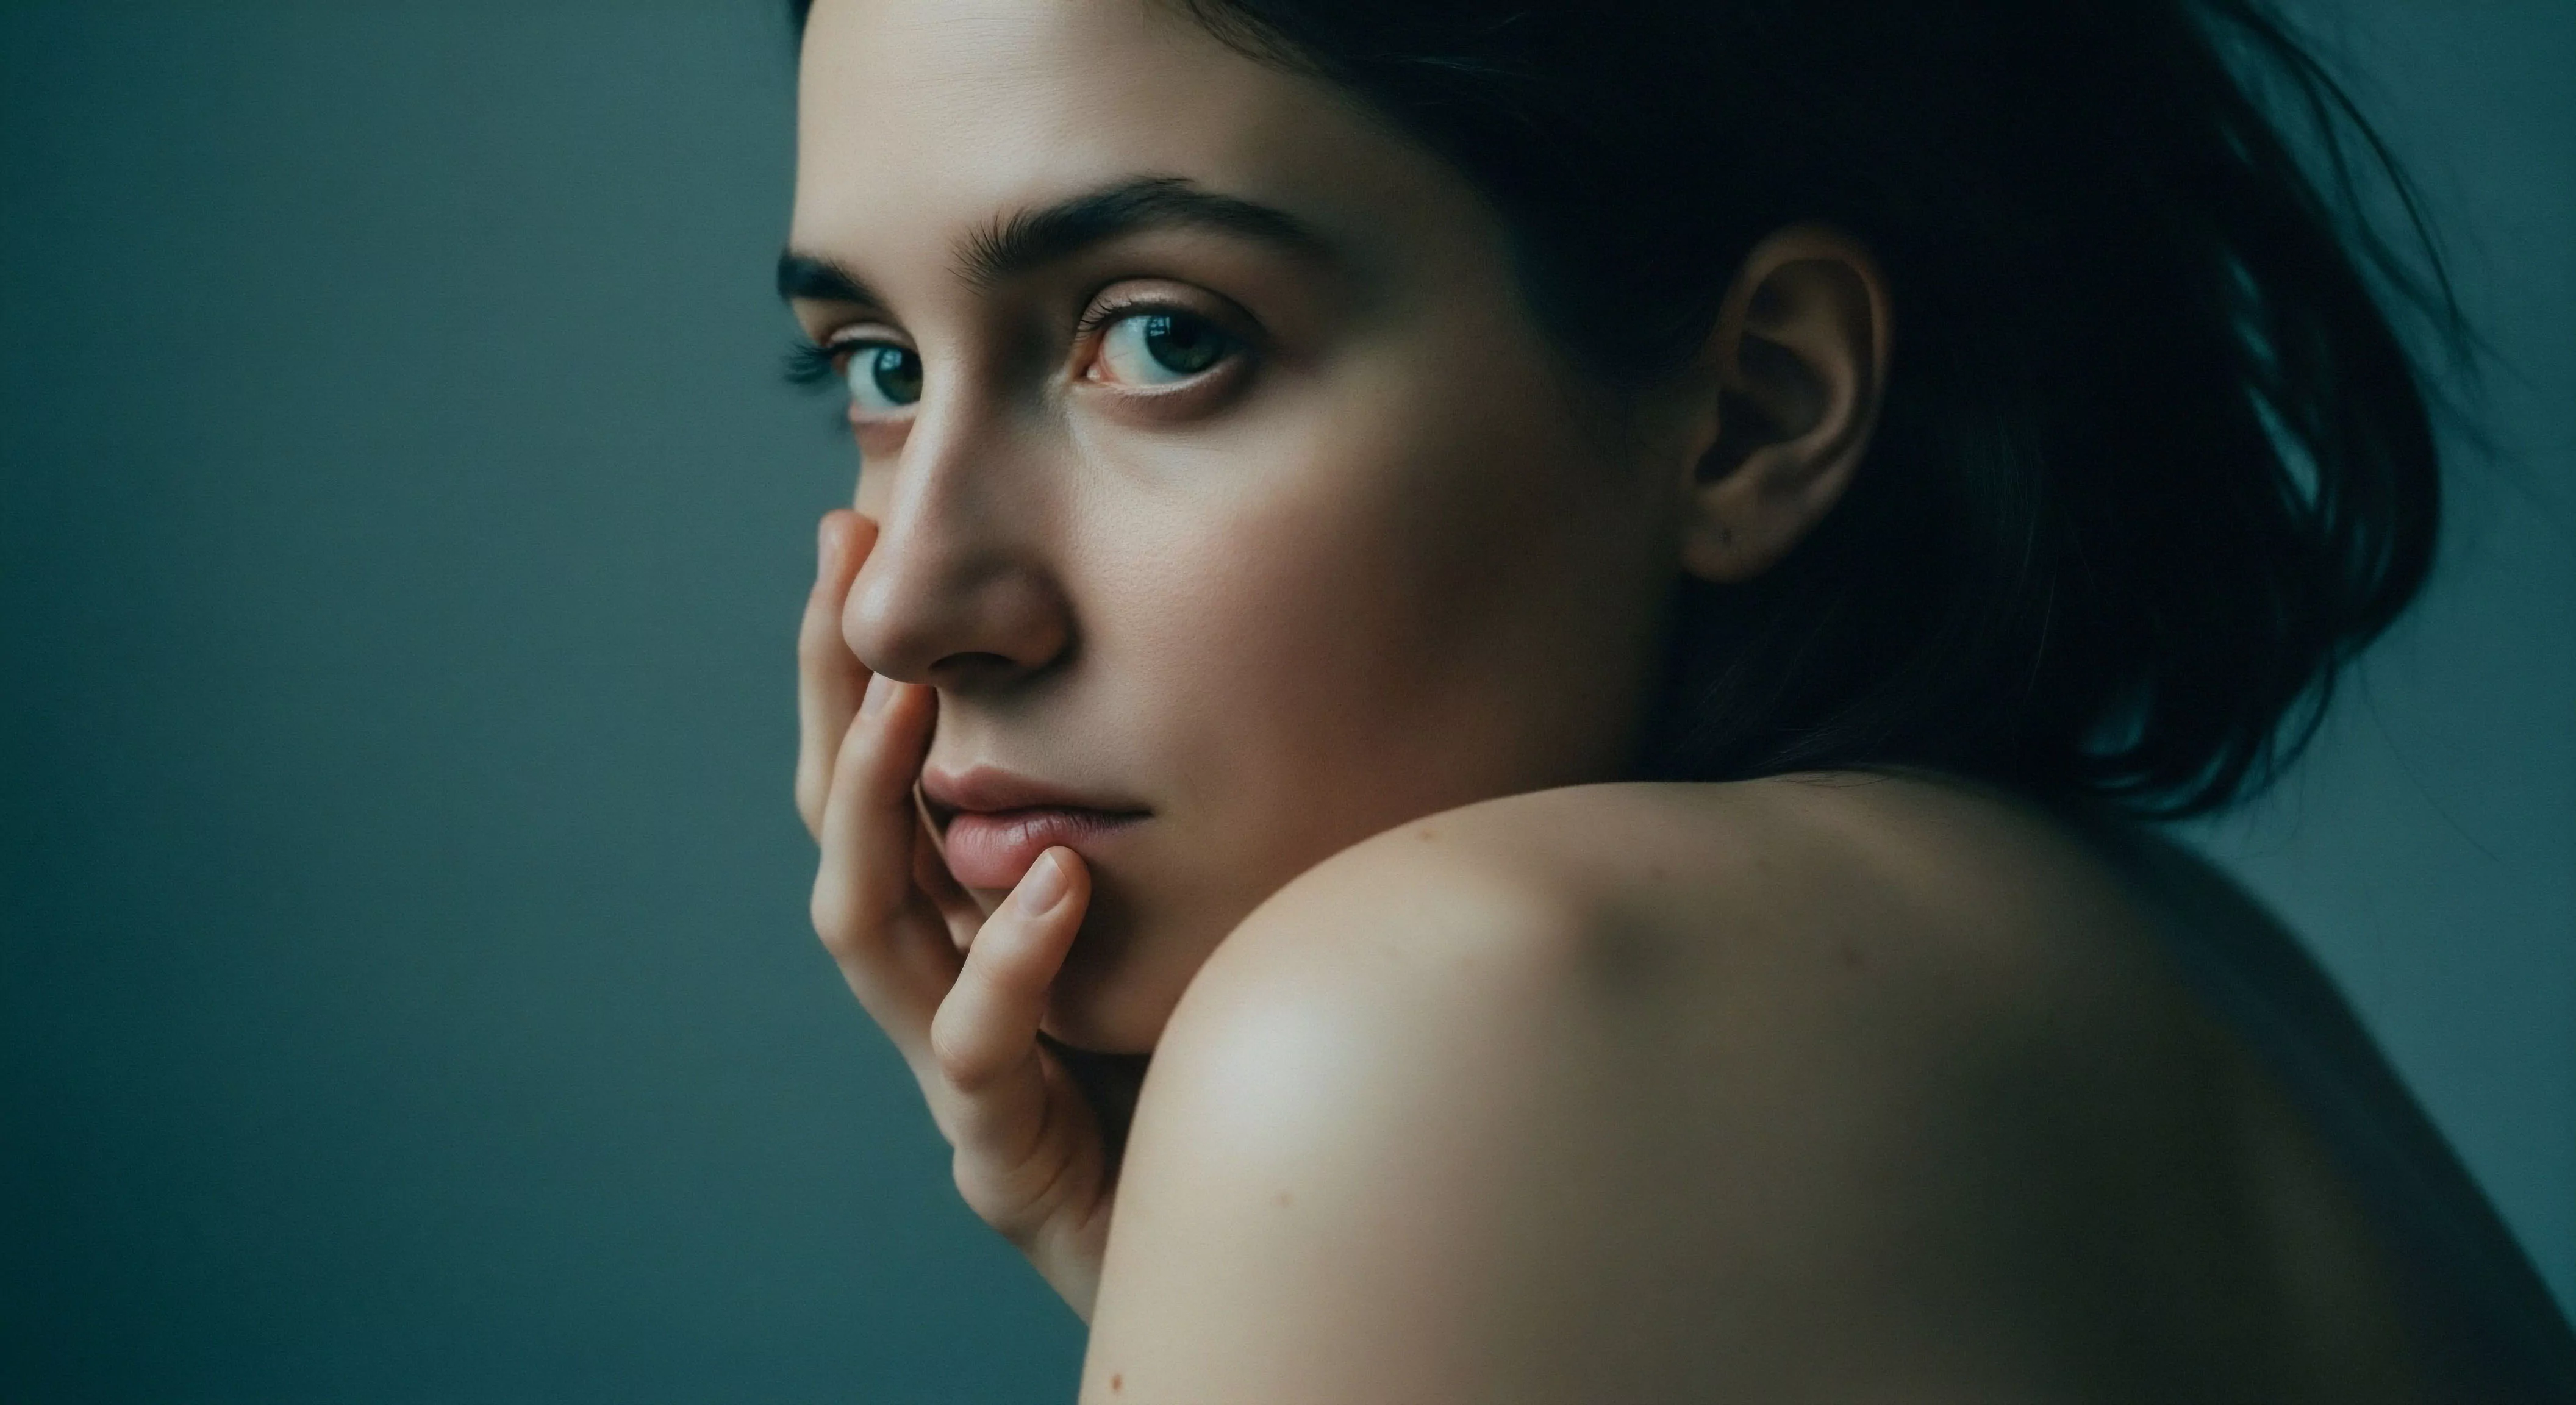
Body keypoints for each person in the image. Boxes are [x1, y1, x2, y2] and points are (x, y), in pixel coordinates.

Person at [778, 0, 2576, 1396]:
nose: (920, 599)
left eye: (1166, 337)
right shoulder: (2160, 947)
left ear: (1755, 409)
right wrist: (1169, 1277)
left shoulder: (1451, 1009)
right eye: (876, 365)